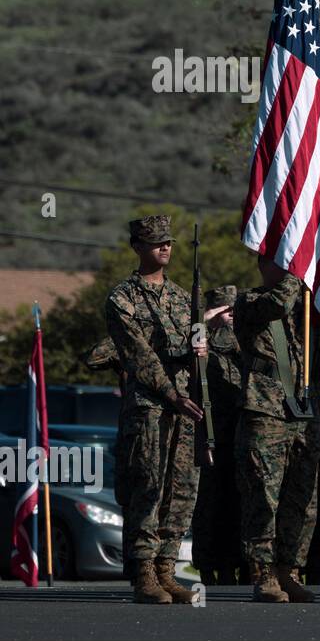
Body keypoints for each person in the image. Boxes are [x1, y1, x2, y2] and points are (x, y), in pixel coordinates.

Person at [104, 215, 206, 604]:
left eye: (169, 242)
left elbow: (193, 350)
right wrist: (171, 392)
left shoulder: (183, 297)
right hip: (150, 405)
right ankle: (144, 572)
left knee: (182, 491)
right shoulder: (122, 298)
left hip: (187, 405)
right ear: (137, 247)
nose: (165, 247)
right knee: (149, 486)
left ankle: (167, 569)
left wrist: (201, 350)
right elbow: (139, 356)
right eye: (155, 242)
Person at [233, 256, 320, 603]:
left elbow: (315, 370)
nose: (288, 270)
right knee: (263, 496)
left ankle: (289, 569)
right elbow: (275, 304)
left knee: (302, 500)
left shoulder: (304, 314)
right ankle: (263, 573)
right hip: (265, 410)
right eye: (281, 262)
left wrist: (317, 420)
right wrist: (297, 273)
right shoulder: (250, 302)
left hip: (301, 413)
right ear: (262, 263)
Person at [192, 285, 244, 585]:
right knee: (208, 506)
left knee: (234, 504)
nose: (231, 316)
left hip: (236, 433)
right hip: (209, 434)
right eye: (226, 311)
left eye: (233, 310)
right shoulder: (201, 341)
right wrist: (205, 318)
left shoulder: (238, 342)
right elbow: (189, 339)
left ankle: (233, 564)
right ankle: (207, 565)